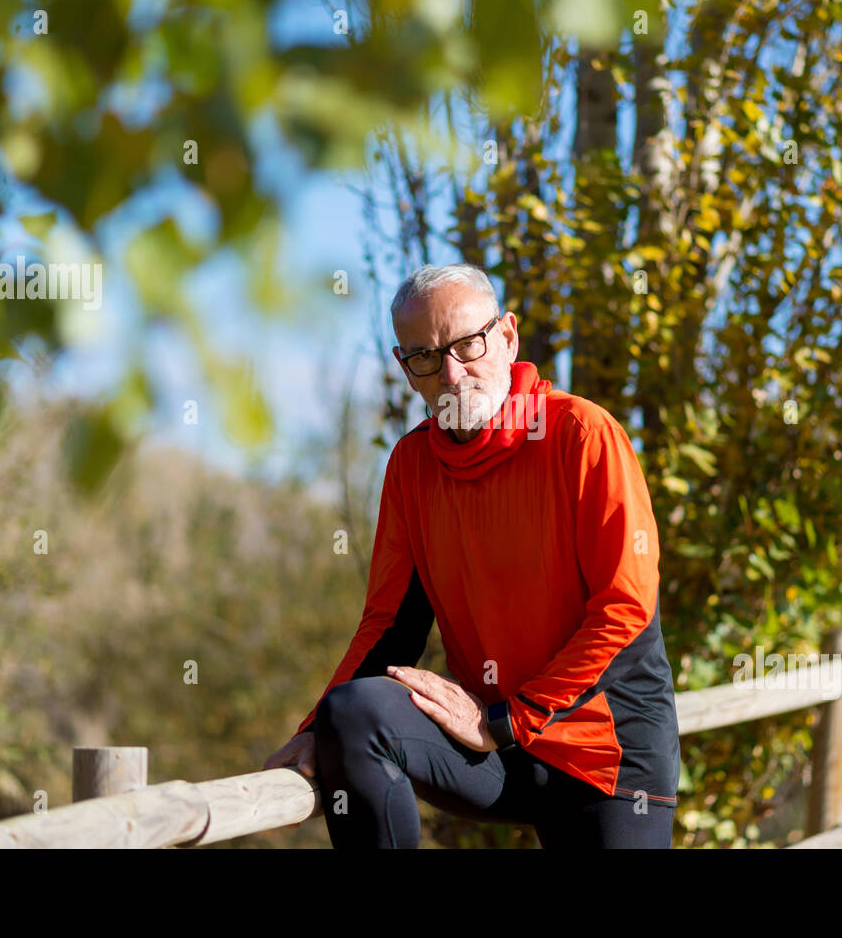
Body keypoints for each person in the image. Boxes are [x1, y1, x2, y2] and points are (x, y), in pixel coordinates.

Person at [262, 262, 681, 848]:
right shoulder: (410, 467)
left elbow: (624, 609)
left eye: (468, 344)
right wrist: (315, 731)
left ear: (507, 337)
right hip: (494, 745)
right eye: (426, 357)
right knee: (353, 714)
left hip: (604, 757)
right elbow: (391, 626)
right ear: (406, 370)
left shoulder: (583, 435)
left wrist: (507, 720)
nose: (453, 374)